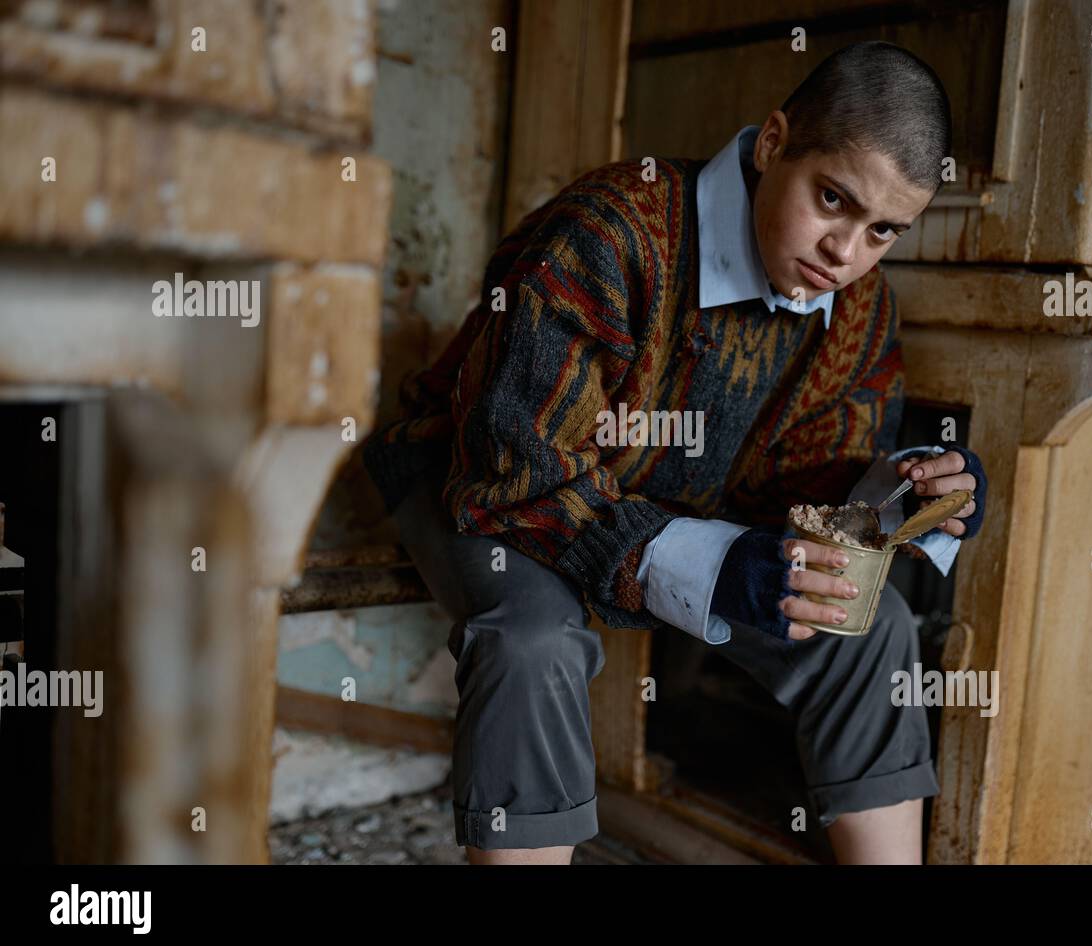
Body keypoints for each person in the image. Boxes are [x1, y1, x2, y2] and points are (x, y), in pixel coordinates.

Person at [363, 40, 988, 865]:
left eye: (882, 230)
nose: (846, 252)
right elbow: (517, 468)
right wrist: (709, 562)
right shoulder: (610, 233)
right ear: (772, 144)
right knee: (531, 637)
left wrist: (912, 495)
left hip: (676, 505)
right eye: (832, 198)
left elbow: (809, 479)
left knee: (869, 624)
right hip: (482, 482)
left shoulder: (860, 306)